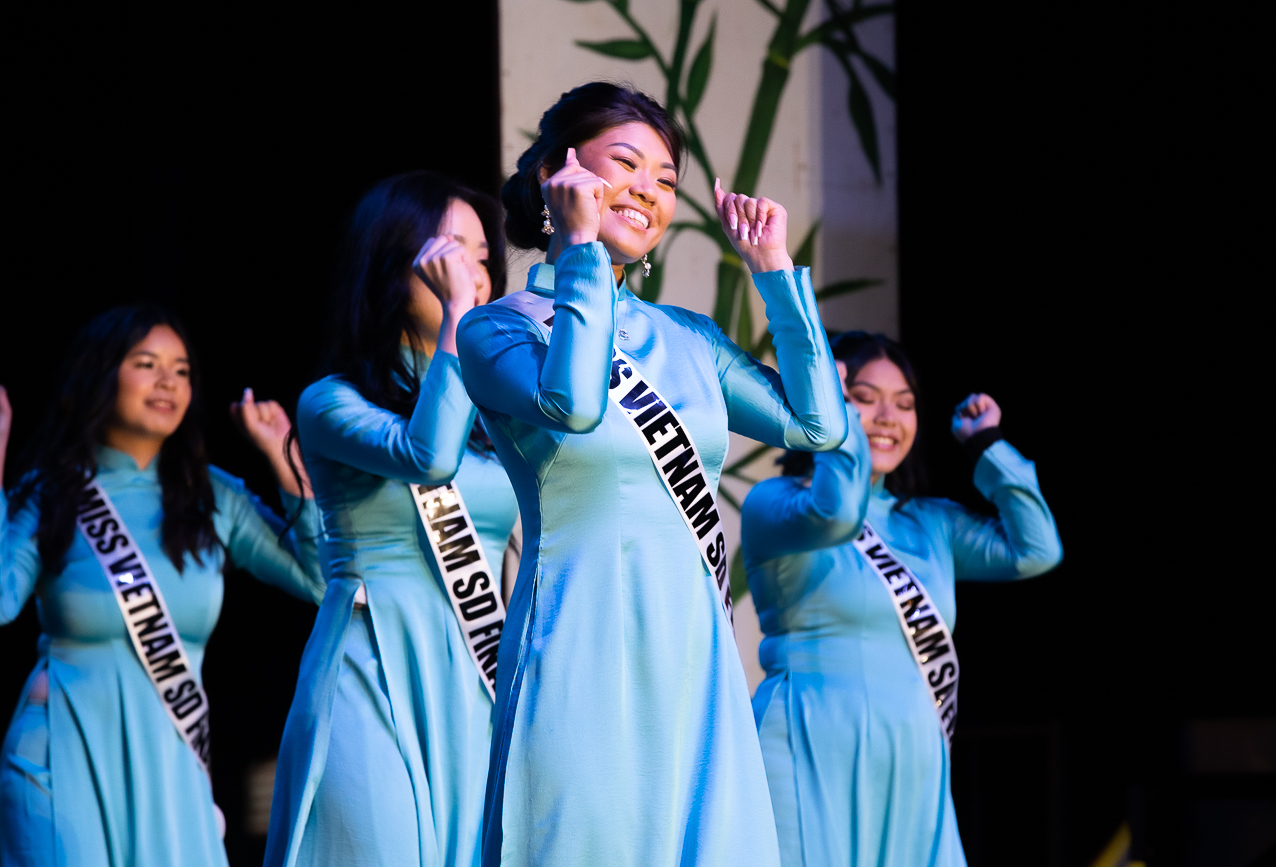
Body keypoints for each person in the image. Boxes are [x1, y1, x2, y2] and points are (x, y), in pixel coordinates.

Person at [457, 82, 848, 867]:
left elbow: (819, 426)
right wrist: (577, 257)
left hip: (694, 656)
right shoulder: (495, 329)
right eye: (626, 164)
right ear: (555, 176)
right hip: (578, 643)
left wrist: (773, 270)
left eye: (666, 181)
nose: (648, 191)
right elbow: (571, 403)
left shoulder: (690, 338)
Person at [0, 305, 325, 867]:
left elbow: (321, 580)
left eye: (180, 370)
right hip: (60, 750)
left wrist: (283, 456)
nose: (167, 382)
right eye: (146, 364)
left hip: (171, 762)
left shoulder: (212, 497)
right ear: (100, 376)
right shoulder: (49, 492)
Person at [263, 171, 518, 867]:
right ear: (388, 260)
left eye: (482, 257)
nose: (470, 269)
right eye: (447, 249)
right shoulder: (331, 402)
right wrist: (462, 320)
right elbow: (427, 454)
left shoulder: (496, 416)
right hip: (370, 667)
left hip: (475, 678)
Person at [742, 331, 1064, 867]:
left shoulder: (931, 522)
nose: (889, 417)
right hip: (810, 744)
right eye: (863, 399)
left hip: (914, 760)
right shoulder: (776, 503)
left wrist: (989, 447)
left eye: (906, 403)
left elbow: (1036, 549)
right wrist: (833, 423)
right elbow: (838, 514)